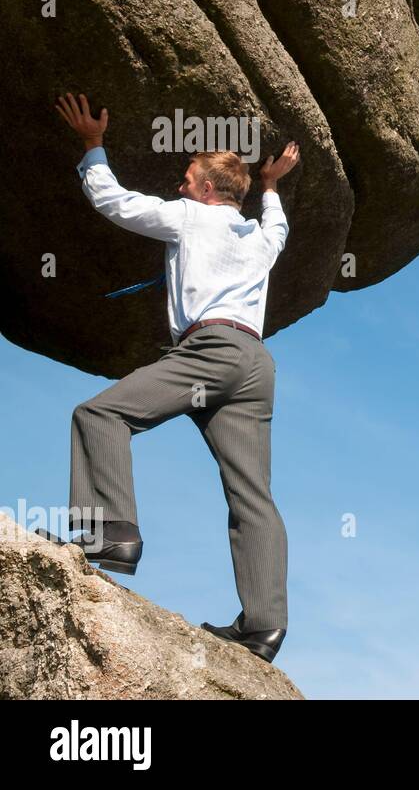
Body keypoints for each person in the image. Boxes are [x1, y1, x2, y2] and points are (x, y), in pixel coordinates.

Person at [38, 92, 300, 664]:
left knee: (99, 414)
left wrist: (92, 145)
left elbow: (115, 202)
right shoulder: (258, 237)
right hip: (255, 365)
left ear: (207, 189)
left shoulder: (189, 216)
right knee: (252, 495)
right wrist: (273, 185)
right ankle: (264, 626)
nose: (180, 187)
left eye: (186, 179)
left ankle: (108, 531)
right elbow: (277, 226)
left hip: (210, 349)